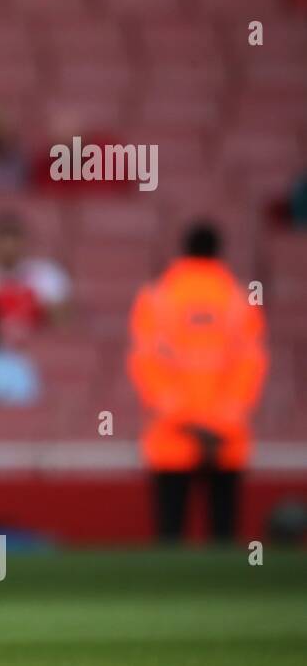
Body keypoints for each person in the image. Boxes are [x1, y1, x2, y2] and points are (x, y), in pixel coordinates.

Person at [128, 222, 268, 542]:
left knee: (170, 535)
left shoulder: (156, 297)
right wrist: (219, 424)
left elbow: (146, 365)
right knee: (223, 536)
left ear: (184, 249)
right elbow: (251, 367)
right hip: (226, 438)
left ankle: (164, 592)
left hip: (172, 437)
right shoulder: (241, 300)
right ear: (219, 251)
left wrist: (186, 422)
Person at [0, 212, 70, 346]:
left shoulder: (49, 275)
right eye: (2, 238)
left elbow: (64, 323)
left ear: (25, 241)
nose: (8, 245)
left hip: (40, 349)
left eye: (14, 238)